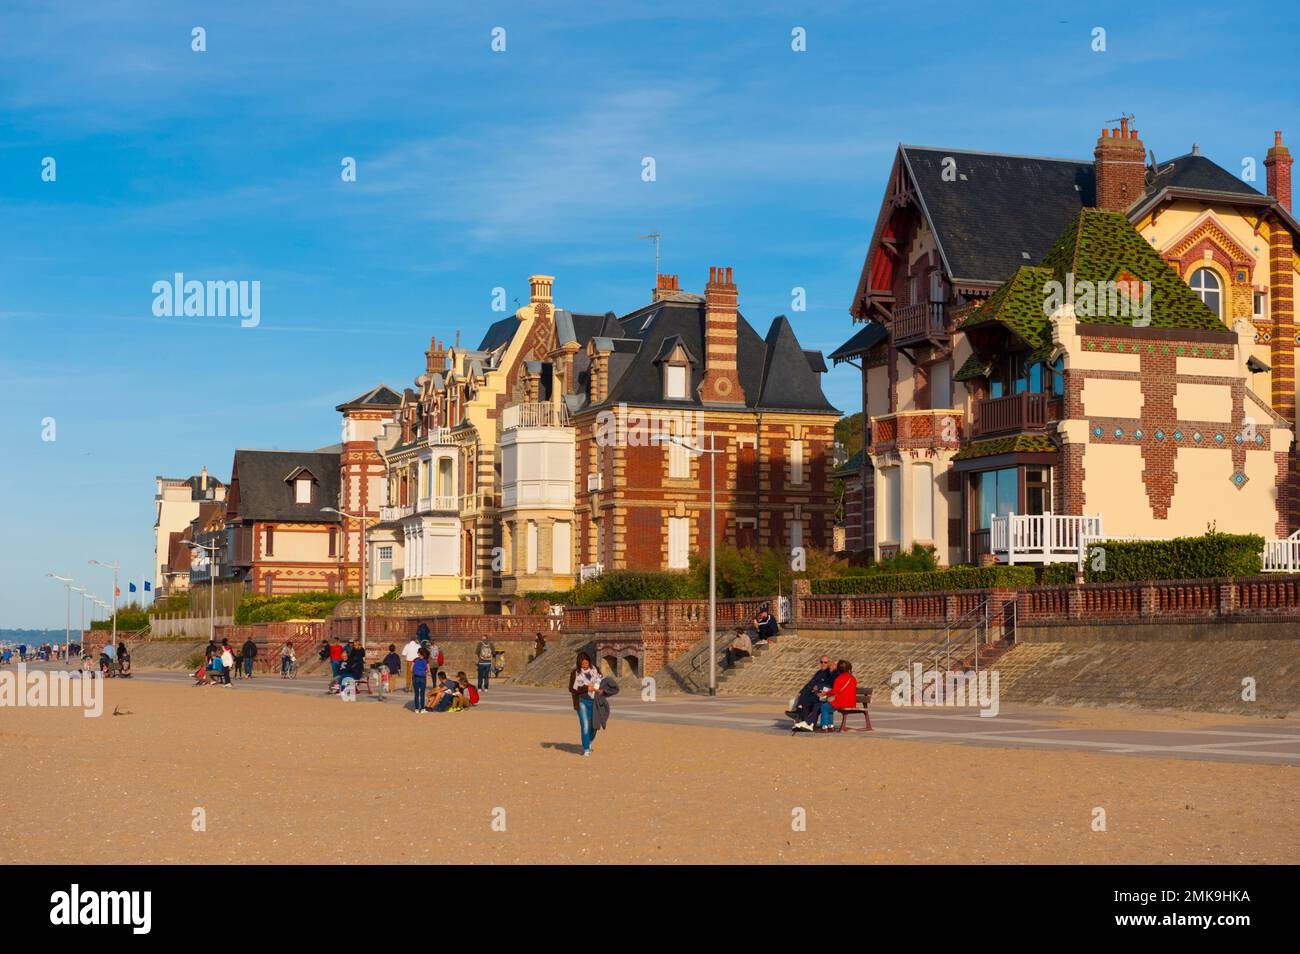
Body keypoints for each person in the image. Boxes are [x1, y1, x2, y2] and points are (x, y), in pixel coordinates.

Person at [789, 656, 838, 731]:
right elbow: (810, 683)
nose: (823, 664)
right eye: (821, 662)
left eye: (825, 662)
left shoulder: (831, 674)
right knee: (804, 696)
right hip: (817, 694)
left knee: (808, 699)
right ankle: (803, 720)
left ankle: (802, 716)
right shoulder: (819, 672)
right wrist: (801, 691)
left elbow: (828, 686)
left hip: (823, 696)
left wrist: (818, 687)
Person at [569, 652, 602, 756]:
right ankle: (586, 749)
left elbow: (600, 678)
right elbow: (572, 688)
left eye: (586, 663)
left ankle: (589, 741)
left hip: (594, 701)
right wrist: (587, 688)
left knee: (594, 726)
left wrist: (598, 687)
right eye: (582, 664)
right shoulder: (575, 673)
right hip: (581, 701)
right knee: (585, 725)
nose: (585, 665)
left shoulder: (595, 669)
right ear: (579, 664)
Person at [817, 660, 858, 732]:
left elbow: (834, 692)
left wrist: (824, 693)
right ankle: (830, 726)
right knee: (828, 706)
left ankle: (824, 727)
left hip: (842, 702)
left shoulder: (839, 678)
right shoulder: (853, 678)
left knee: (825, 707)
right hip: (851, 703)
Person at [411, 647, 430, 713]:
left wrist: (415, 672)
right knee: (422, 694)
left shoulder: (415, 660)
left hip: (415, 677)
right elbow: (428, 670)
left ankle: (416, 709)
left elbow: (411, 669)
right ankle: (422, 709)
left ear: (419, 653)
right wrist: (424, 672)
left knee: (416, 693)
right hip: (423, 677)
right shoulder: (426, 660)